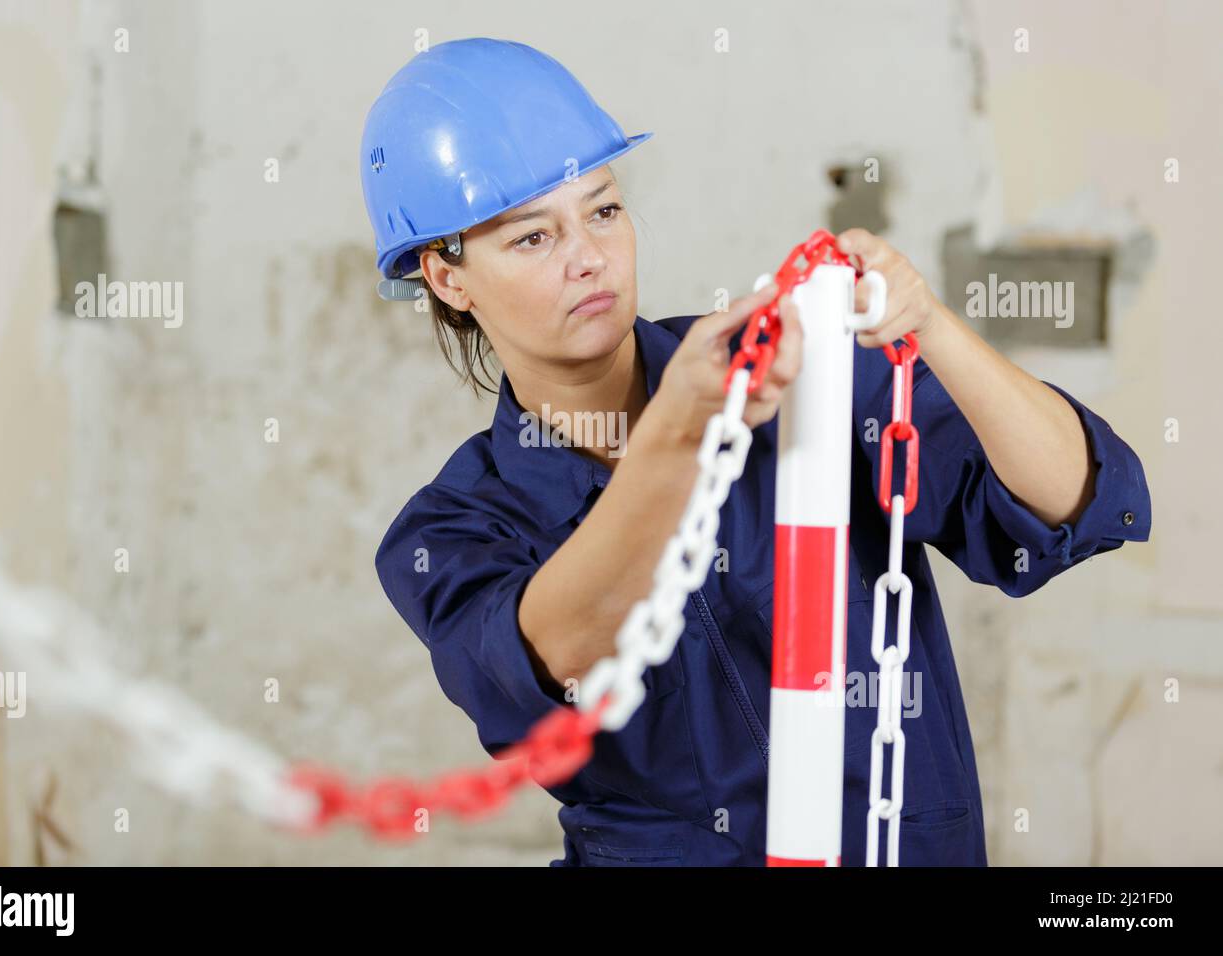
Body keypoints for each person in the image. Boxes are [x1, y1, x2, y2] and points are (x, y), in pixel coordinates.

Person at [363, 37, 1152, 865]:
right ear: (447, 278)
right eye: (532, 238)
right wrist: (681, 426)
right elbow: (555, 659)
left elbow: (1072, 500)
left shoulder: (807, 382)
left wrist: (931, 326)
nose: (590, 257)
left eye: (602, 209)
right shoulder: (450, 531)